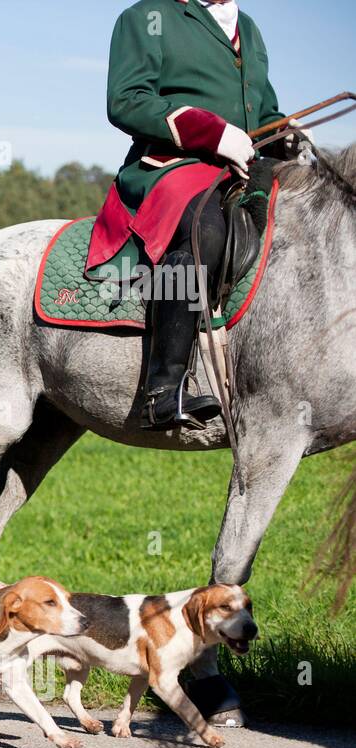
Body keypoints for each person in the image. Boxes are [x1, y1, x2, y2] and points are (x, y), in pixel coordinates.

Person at [90, 0, 310, 430]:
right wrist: (212, 132)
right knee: (204, 230)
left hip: (242, 169)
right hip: (172, 167)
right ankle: (164, 388)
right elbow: (127, 100)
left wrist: (287, 136)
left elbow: (261, 114)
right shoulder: (147, 17)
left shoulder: (248, 27)